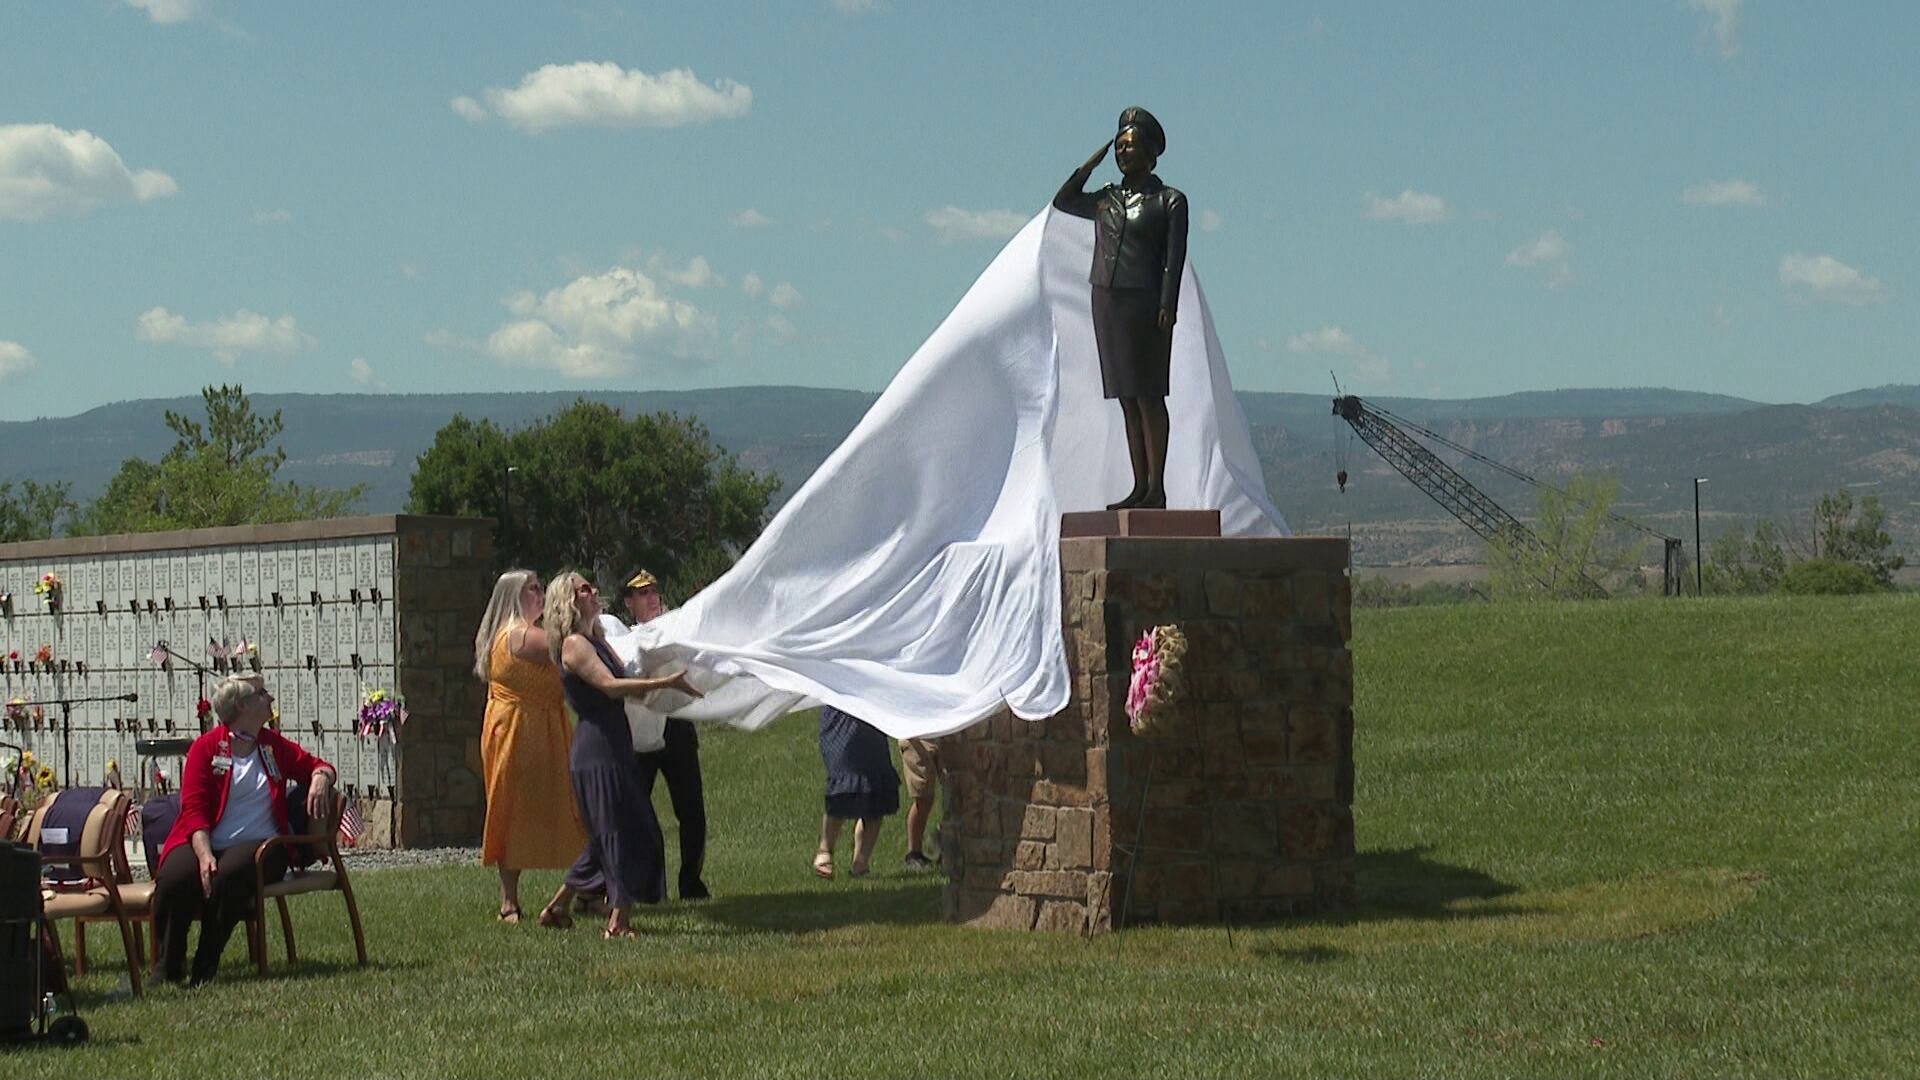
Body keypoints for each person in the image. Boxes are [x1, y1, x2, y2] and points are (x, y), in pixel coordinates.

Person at [534, 572, 701, 939]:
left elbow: (627, 677)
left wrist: (671, 675)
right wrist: (664, 683)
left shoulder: (597, 638)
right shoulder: (575, 645)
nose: (594, 592)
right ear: (568, 601)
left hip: (615, 742)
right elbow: (611, 687)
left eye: (592, 587)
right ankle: (618, 922)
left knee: (611, 834)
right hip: (596, 748)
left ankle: (557, 907)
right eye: (584, 589)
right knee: (622, 834)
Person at [152, 674, 335, 985]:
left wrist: (320, 778)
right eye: (262, 694)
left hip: (261, 844)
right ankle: (167, 968)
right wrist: (204, 852)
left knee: (227, 877)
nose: (271, 699)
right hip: (205, 838)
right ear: (242, 705)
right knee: (173, 878)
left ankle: (205, 968)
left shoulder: (271, 745)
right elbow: (193, 808)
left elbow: (317, 765)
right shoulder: (206, 748)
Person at [1053, 105, 1189, 511]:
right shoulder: (1106, 199)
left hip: (1146, 303)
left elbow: (1173, 258)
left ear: (1151, 152)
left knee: (1149, 395)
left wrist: (1168, 303)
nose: (1123, 153)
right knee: (1127, 397)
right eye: (1119, 147)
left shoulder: (1170, 201)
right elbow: (1064, 201)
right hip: (1107, 301)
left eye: (1131, 146)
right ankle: (1139, 485)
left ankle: (1157, 488)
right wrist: (1090, 162)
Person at [474, 569, 589, 923]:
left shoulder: (519, 632)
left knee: (568, 806)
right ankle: (509, 901)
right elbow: (565, 648)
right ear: (512, 596)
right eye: (532, 590)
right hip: (519, 731)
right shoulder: (518, 635)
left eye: (541, 588)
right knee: (514, 810)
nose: (539, 595)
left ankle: (586, 887)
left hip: (543, 726)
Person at [611, 570, 711, 899]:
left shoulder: (676, 627)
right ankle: (645, 887)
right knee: (637, 813)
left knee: (692, 811)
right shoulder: (625, 638)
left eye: (654, 591)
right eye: (642, 593)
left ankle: (691, 882)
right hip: (641, 734)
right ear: (629, 602)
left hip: (676, 726)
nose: (651, 597)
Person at [813, 704, 900, 879]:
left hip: (870, 720)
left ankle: (861, 864)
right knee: (843, 789)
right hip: (841, 721)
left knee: (876, 793)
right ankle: (825, 851)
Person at [897, 737, 940, 871]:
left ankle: (943, 840)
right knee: (923, 798)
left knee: (956, 793)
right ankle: (914, 854)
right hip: (917, 739)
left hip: (944, 732)